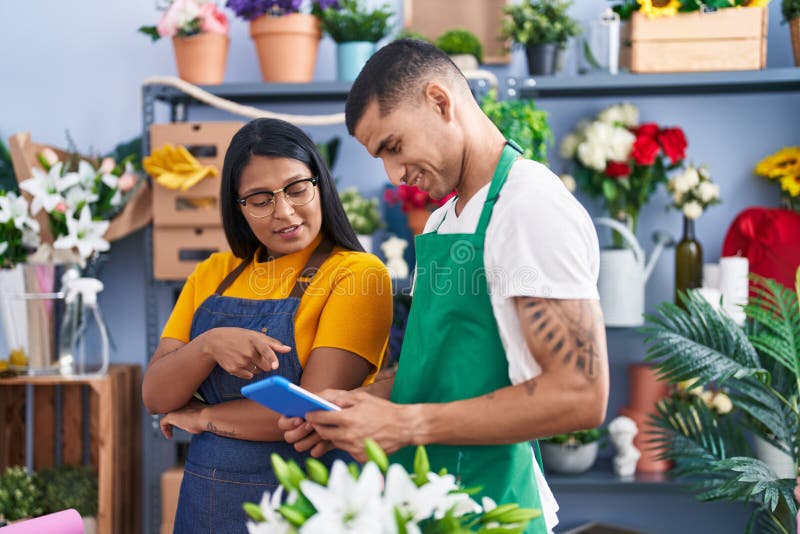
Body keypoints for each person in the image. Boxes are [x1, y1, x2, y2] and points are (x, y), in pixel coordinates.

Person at [278, 40, 610, 534]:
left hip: (490, 507)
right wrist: (361, 407)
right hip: (432, 499)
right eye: (380, 158)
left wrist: (406, 425)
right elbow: (442, 369)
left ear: (440, 101)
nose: (394, 174)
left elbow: (580, 395)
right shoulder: (443, 222)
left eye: (393, 146)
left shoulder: (527, 208)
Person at [142, 118, 393, 534]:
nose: (284, 212)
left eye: (297, 189)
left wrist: (202, 417)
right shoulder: (213, 272)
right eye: (260, 199)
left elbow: (309, 413)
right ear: (237, 207)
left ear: (320, 183)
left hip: (304, 507)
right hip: (204, 507)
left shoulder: (357, 275)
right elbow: (156, 394)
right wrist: (208, 345)